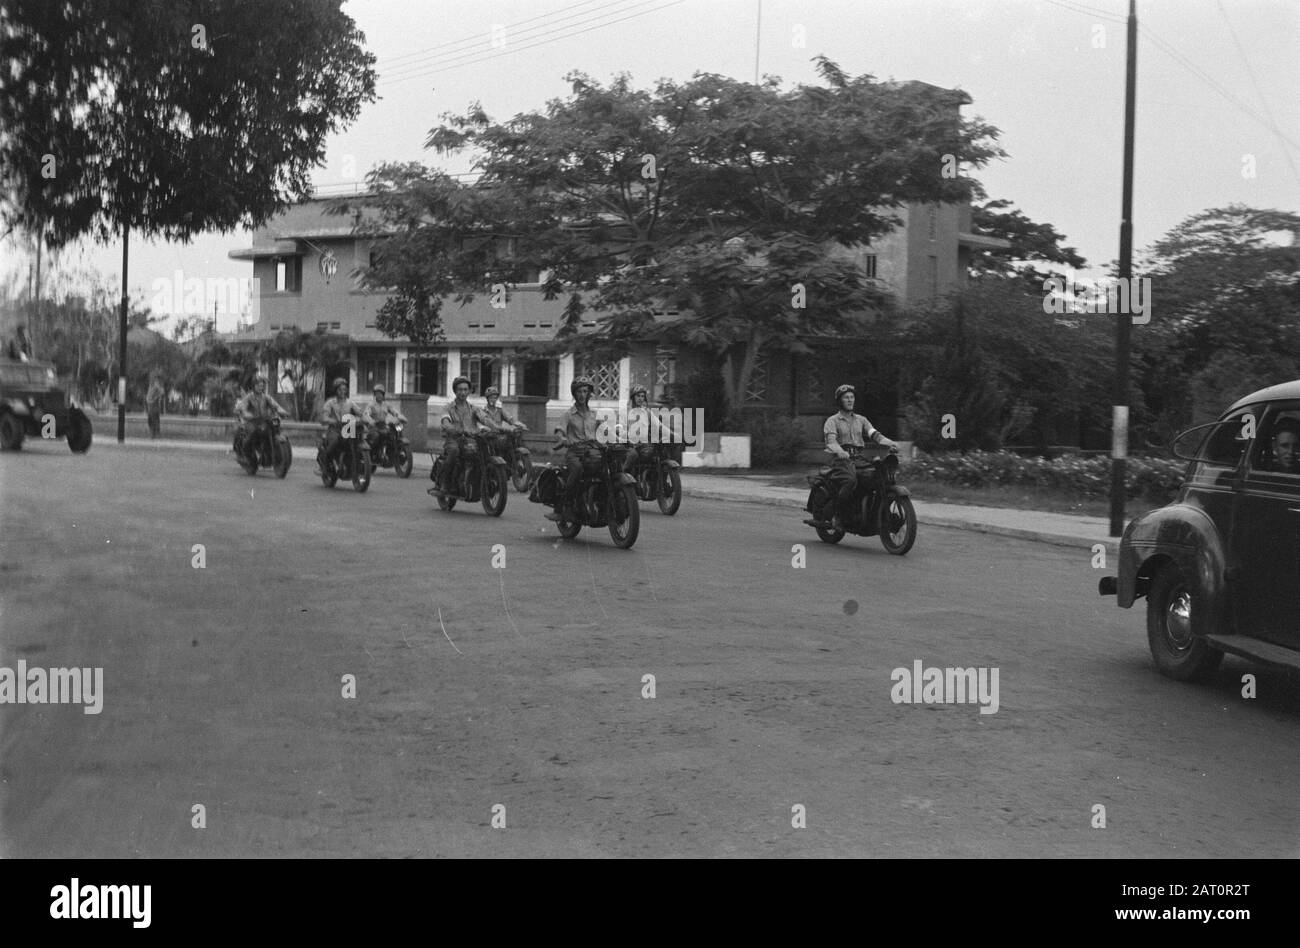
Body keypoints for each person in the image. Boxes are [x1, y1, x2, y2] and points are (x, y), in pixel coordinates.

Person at [823, 384, 900, 530]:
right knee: (851, 480)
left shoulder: (861, 420)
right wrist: (840, 451)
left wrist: (891, 443)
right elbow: (831, 442)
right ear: (840, 401)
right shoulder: (832, 421)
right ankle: (838, 516)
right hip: (840, 460)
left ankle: (871, 512)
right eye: (846, 397)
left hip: (857, 458)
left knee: (879, 477)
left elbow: (875, 435)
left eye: (852, 397)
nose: (850, 400)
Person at [547, 376, 602, 522]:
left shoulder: (594, 415)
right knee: (577, 469)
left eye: (585, 391)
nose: (582, 395)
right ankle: (567, 506)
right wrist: (563, 439)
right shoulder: (568, 414)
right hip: (575, 453)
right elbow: (559, 430)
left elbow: (604, 430)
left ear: (589, 394)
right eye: (579, 392)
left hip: (592, 451)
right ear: (574, 394)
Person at [432, 376, 488, 495]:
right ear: (455, 391)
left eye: (465, 389)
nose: (463, 392)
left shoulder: (474, 409)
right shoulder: (448, 408)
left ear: (469, 391)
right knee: (454, 451)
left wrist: (495, 427)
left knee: (485, 450)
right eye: (460, 390)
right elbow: (445, 421)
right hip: (454, 439)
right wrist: (453, 428)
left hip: (471, 440)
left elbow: (485, 419)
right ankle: (444, 482)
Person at [622, 384, 672, 473]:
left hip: (645, 445)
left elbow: (659, 425)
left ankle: (660, 480)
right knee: (632, 455)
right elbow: (622, 428)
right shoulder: (626, 412)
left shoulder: (647, 412)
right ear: (633, 397)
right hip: (630, 445)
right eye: (638, 396)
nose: (640, 399)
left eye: (642, 396)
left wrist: (672, 433)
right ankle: (626, 477)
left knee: (661, 451)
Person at [318, 377, 364, 474]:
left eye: (344, 389)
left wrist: (365, 419)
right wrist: (333, 421)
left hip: (348, 429)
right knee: (334, 441)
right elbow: (323, 418)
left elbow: (360, 413)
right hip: (335, 429)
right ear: (336, 390)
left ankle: (356, 463)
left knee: (357, 440)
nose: (343, 391)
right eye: (340, 389)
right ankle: (324, 464)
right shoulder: (330, 403)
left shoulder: (350, 403)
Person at [236, 376, 283, 456]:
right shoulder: (249, 397)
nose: (260, 388)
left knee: (273, 429)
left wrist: (282, 411)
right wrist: (247, 414)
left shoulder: (266, 397)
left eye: (261, 386)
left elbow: (275, 405)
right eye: (258, 386)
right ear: (253, 386)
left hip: (263, 421)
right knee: (253, 433)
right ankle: (247, 452)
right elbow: (243, 407)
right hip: (251, 421)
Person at [480, 385, 524, 455]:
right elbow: (480, 425)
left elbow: (510, 419)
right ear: (487, 399)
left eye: (495, 398)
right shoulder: (482, 411)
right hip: (489, 437)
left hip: (499, 434)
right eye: (491, 398)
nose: (493, 400)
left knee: (512, 440)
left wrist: (519, 424)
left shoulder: (500, 411)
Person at [365, 384, 407, 454]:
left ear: (383, 395)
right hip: (374, 427)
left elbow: (394, 411)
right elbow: (366, 414)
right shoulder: (371, 405)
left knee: (392, 434)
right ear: (374, 395)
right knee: (376, 437)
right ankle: (371, 454)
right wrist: (370, 420)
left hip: (383, 426)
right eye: (377, 394)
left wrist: (400, 416)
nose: (379, 396)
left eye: (381, 394)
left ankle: (391, 452)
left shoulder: (386, 404)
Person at [145, 373, 165, 439]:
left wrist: (156, 398)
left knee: (153, 419)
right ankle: (153, 434)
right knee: (151, 419)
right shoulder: (151, 385)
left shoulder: (156, 384)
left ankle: (154, 435)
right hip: (149, 404)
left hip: (153, 405)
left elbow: (162, 392)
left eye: (152, 377)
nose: (151, 378)